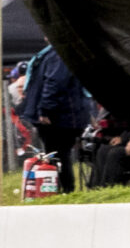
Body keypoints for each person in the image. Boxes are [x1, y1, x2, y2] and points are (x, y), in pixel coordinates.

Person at [13, 46, 93, 193]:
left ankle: (65, 190)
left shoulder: (58, 55)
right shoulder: (51, 53)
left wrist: (45, 109)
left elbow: (55, 82)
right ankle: (58, 189)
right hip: (61, 115)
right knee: (56, 154)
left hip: (60, 116)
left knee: (58, 154)